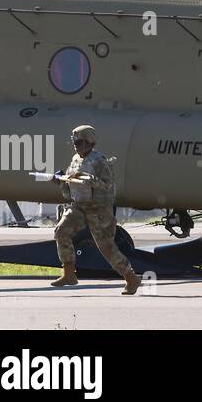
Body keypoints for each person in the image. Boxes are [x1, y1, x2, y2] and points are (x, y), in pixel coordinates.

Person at [50, 124, 142, 294]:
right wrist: (62, 182)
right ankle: (69, 273)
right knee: (61, 231)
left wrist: (91, 180)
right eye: (74, 142)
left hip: (98, 209)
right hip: (79, 206)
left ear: (88, 142)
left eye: (78, 142)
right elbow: (70, 190)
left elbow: (108, 187)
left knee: (106, 246)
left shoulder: (99, 161)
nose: (75, 145)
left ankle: (131, 278)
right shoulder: (76, 159)